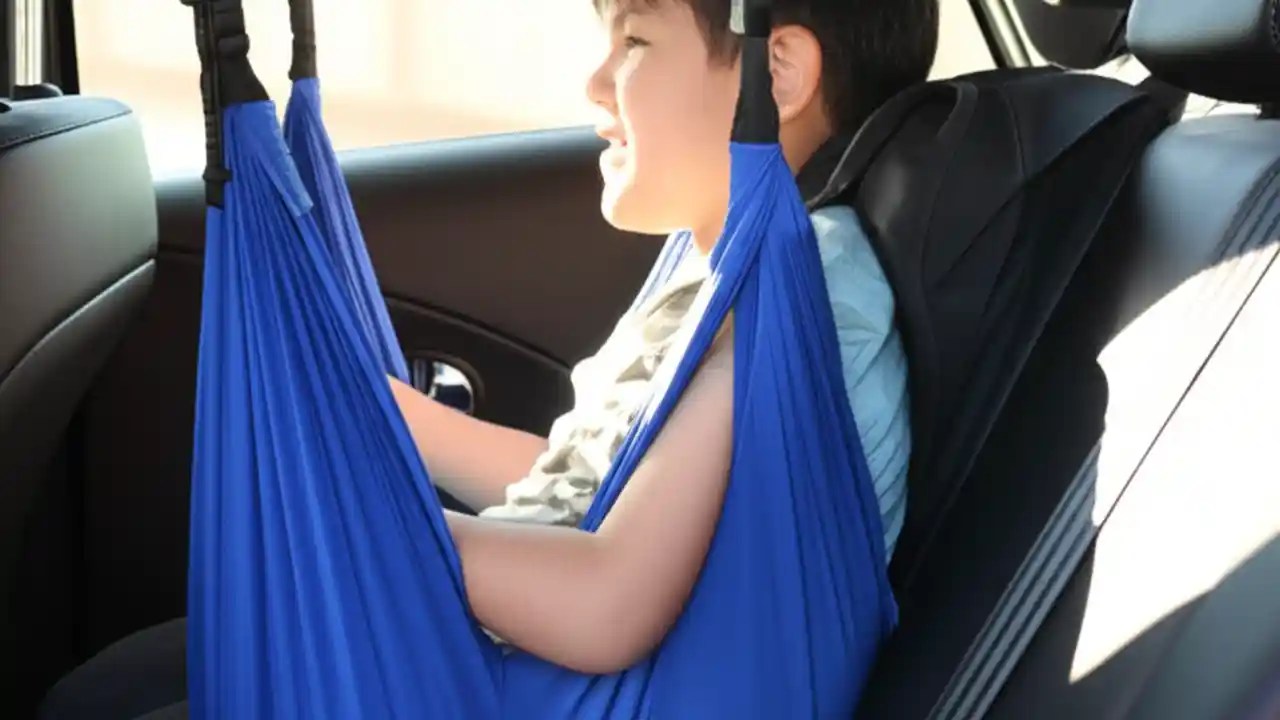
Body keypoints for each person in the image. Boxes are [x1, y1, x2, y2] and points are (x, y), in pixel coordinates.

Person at [39, 0, 936, 716]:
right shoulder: (714, 261)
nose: (593, 83)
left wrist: (373, 520)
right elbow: (594, 485)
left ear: (774, 73)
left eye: (631, 39)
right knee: (122, 685)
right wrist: (385, 416)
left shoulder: (804, 293)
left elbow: (608, 603)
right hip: (520, 666)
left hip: (574, 686)